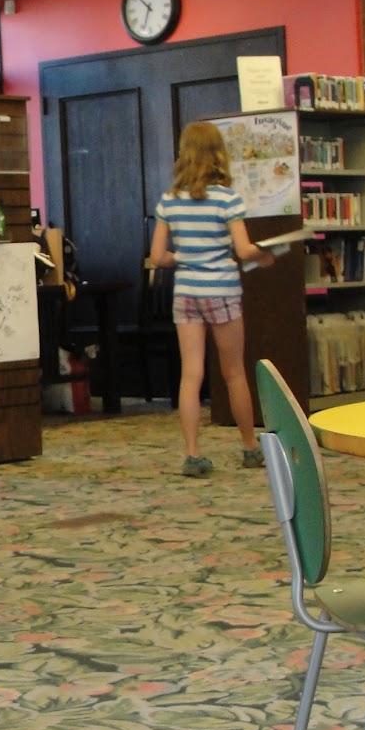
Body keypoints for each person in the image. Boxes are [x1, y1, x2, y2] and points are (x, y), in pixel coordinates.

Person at [148, 121, 275, 477]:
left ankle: (192, 454)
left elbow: (157, 257)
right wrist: (264, 255)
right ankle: (250, 448)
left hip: (187, 292)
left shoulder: (169, 201)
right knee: (234, 372)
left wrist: (184, 257)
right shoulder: (227, 199)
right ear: (218, 154)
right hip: (221, 289)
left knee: (191, 374)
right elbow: (243, 250)